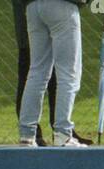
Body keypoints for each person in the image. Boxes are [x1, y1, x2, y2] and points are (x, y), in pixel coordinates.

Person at [17, 0, 85, 147]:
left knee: (37, 70)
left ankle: (27, 134)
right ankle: (63, 133)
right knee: (69, 73)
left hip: (33, 6)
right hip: (62, 5)